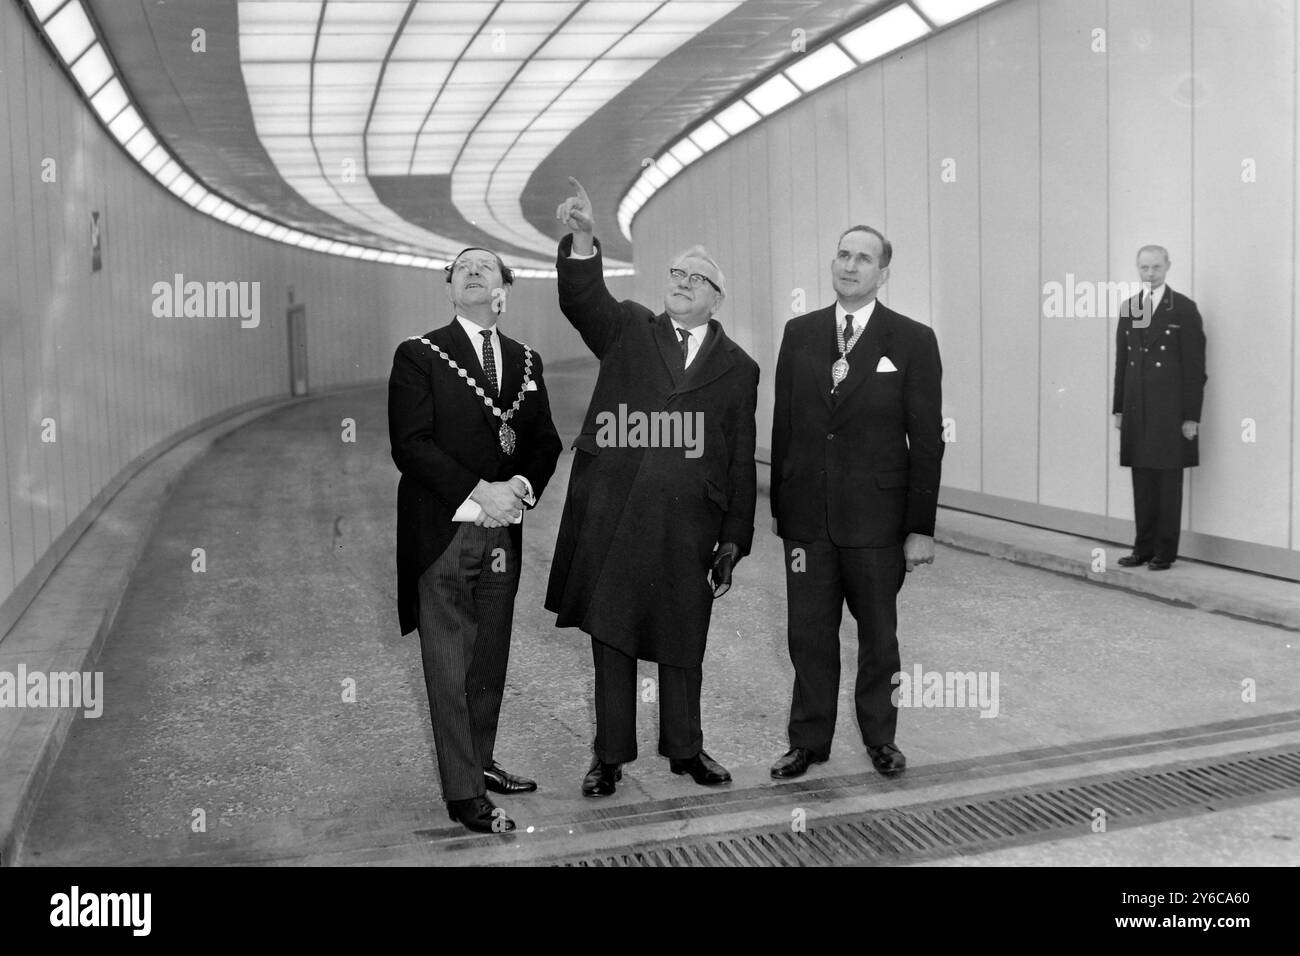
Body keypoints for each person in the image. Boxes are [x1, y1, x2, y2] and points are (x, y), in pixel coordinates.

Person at [546, 178, 759, 797]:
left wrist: (734, 539)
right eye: (676, 272)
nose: (682, 281)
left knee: (682, 633)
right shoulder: (630, 329)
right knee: (611, 631)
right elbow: (584, 301)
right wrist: (585, 240)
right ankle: (609, 755)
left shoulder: (739, 368)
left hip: (690, 523)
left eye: (696, 277)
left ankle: (686, 750)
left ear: (717, 298)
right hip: (615, 512)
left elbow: (741, 455)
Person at [387, 247, 562, 833]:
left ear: (504, 287)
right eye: (462, 267)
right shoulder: (419, 356)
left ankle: (480, 761)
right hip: (443, 531)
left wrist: (517, 487)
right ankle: (464, 795)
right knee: (447, 662)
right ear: (449, 288)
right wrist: (478, 492)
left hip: (502, 533)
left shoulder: (525, 361)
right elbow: (411, 444)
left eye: (485, 266)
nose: (473, 271)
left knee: (489, 657)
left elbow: (544, 442)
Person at [769, 225, 944, 780]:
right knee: (808, 635)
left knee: (879, 639)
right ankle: (808, 741)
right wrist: (784, 514)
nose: (850, 265)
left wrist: (920, 528)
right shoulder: (800, 333)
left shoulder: (913, 340)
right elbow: (786, 426)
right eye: (843, 254)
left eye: (864, 259)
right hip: (810, 524)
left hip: (878, 522)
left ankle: (880, 739)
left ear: (883, 273)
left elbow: (927, 441)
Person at [1112, 245, 1207, 570]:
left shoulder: (1182, 308)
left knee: (1168, 482)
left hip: (1170, 413)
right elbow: (1123, 361)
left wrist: (1191, 416)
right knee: (1142, 481)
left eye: (1155, 267)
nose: (1149, 273)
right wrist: (1119, 409)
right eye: (1143, 268)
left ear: (1168, 266)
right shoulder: (1132, 307)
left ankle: (1164, 552)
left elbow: (1195, 368)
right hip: (1138, 411)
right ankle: (1142, 548)